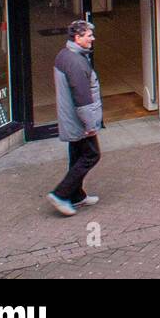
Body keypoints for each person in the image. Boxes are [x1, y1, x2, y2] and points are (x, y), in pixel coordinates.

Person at [47, 20, 103, 217]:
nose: (92, 38)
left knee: (77, 156)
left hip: (71, 119)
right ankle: (60, 194)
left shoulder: (64, 55)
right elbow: (82, 97)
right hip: (79, 121)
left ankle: (76, 195)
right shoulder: (76, 63)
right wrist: (91, 124)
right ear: (77, 38)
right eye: (89, 35)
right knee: (92, 155)